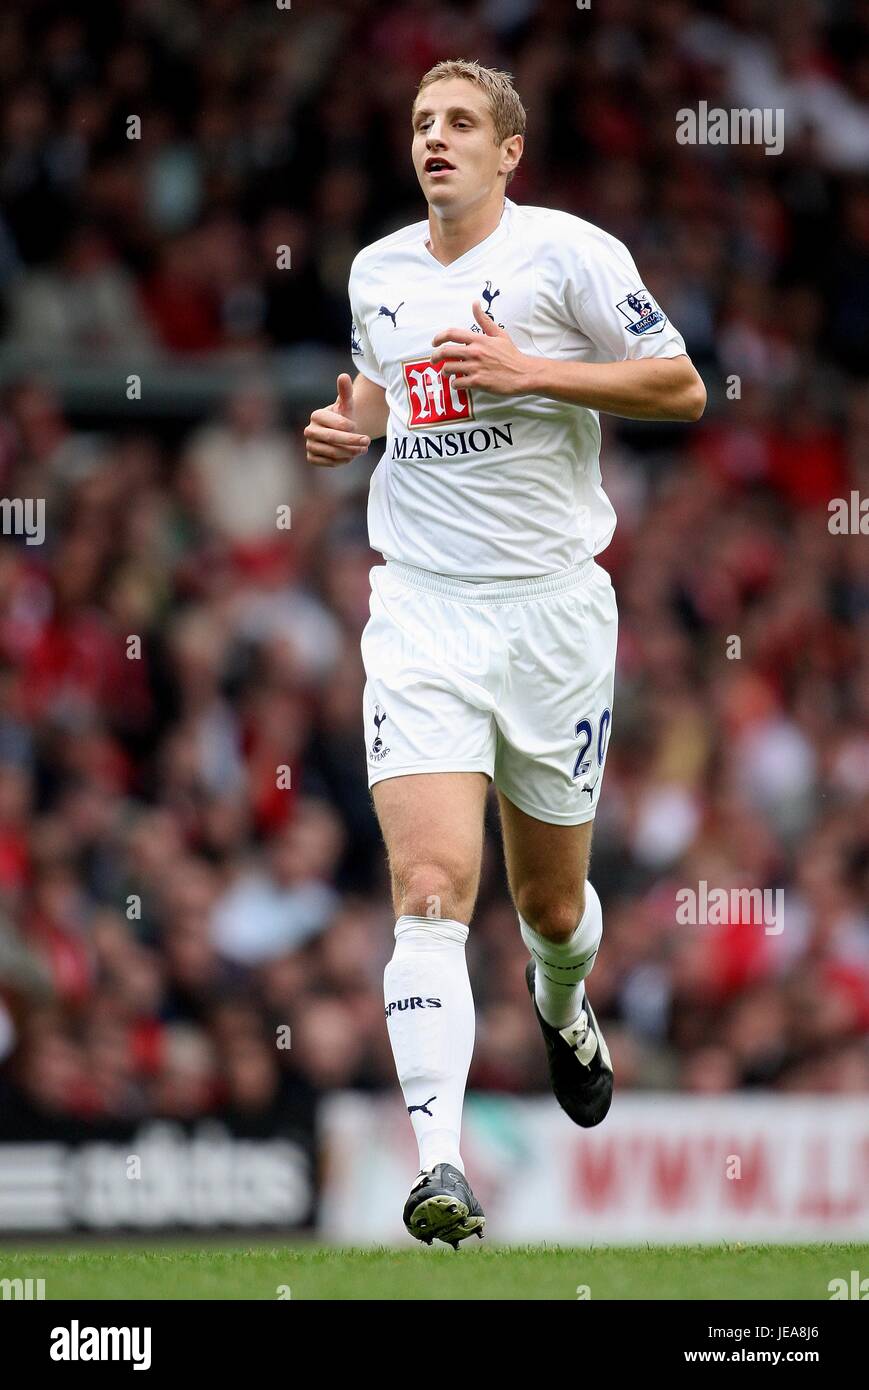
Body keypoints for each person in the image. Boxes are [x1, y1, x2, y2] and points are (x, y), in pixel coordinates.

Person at [304, 59, 706, 1248]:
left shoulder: (567, 255)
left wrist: (533, 370)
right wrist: (350, 425)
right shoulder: (376, 272)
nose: (436, 138)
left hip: (550, 617)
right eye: (421, 121)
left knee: (546, 906)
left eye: (461, 123)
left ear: (507, 151)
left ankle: (562, 1000)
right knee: (427, 889)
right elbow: (386, 389)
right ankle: (438, 1168)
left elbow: (680, 387)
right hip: (422, 611)